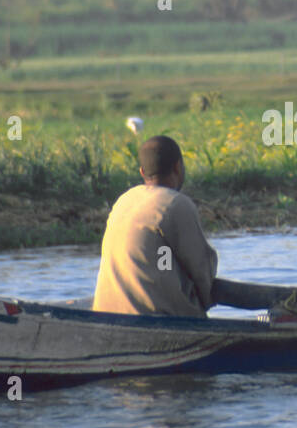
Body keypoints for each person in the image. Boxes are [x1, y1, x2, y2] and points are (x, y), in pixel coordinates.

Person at [93, 135, 218, 316]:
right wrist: (205, 302)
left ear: (142, 172)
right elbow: (201, 268)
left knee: (164, 259)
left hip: (106, 312)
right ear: (178, 167)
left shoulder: (124, 200)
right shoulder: (175, 204)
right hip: (155, 317)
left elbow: (163, 261)